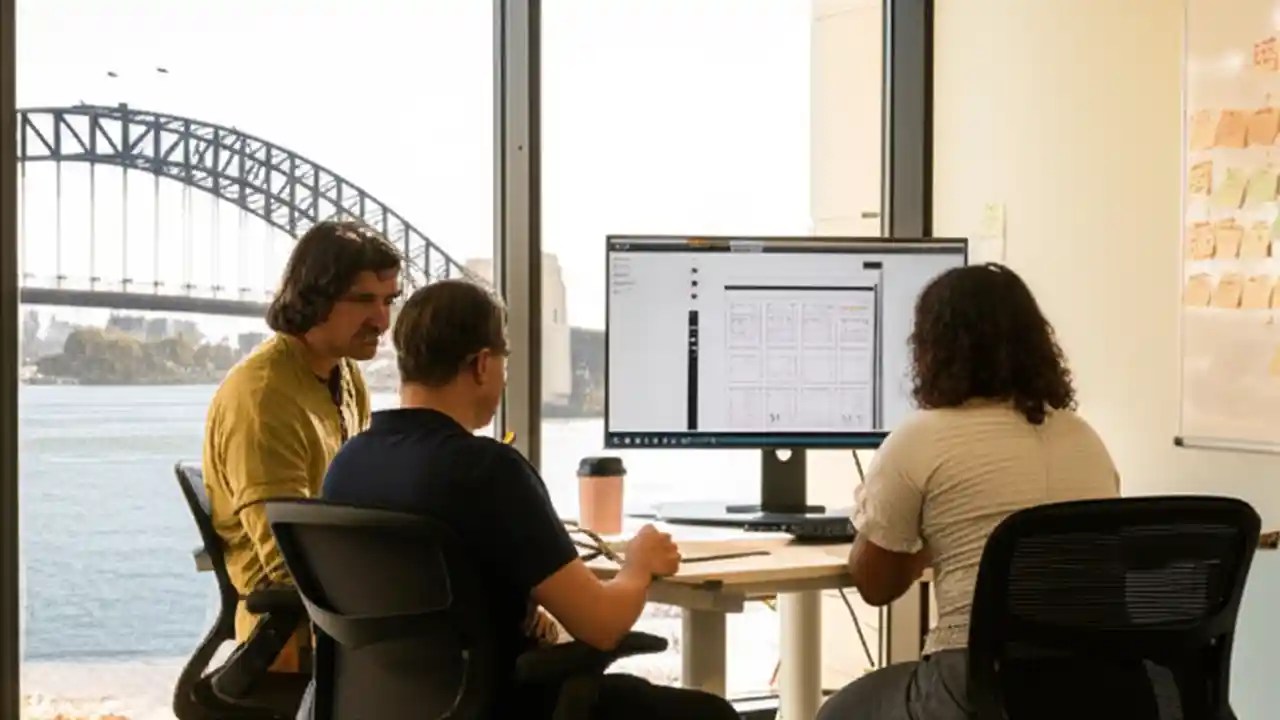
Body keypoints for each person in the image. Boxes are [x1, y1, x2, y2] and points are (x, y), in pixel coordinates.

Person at [322, 279, 738, 720]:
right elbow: (602, 625)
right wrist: (638, 565)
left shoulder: (347, 465)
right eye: (505, 362)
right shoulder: (488, 470)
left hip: (377, 708)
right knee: (709, 715)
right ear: (482, 364)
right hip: (500, 707)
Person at [817, 263, 1120, 720]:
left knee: (840, 711)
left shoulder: (920, 439)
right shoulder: (1084, 437)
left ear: (930, 349)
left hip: (980, 684)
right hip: (1096, 682)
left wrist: (920, 539)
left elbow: (875, 585)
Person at [202, 220, 401, 672]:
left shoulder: (345, 375)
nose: (382, 321)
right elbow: (287, 563)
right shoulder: (263, 398)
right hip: (293, 644)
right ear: (315, 299)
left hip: (343, 626)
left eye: (389, 300)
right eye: (363, 300)